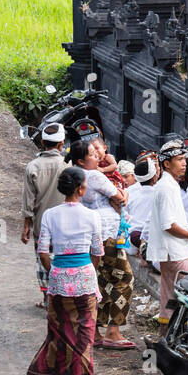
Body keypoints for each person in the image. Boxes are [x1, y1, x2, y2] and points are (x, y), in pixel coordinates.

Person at [26, 167, 102, 375]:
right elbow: (97, 252)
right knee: (83, 335)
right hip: (85, 279)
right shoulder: (92, 216)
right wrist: (88, 269)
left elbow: (42, 251)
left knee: (57, 332)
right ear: (80, 188)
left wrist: (55, 271)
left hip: (58, 279)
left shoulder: (50, 215)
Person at [69, 139, 133, 350]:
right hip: (107, 234)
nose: (97, 156)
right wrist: (121, 195)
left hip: (90, 234)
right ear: (81, 160)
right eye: (91, 154)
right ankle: (113, 332)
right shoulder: (94, 176)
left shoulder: (75, 176)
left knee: (100, 280)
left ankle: (94, 331)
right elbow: (120, 197)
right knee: (123, 278)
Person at [149, 139, 188, 325]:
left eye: (185, 159)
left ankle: (166, 335)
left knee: (169, 295)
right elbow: (169, 224)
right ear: (167, 164)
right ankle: (183, 334)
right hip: (177, 251)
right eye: (179, 159)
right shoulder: (167, 188)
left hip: (171, 250)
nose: (184, 164)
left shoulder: (168, 184)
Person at [21, 123, 70, 299]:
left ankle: (47, 297)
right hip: (65, 227)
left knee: (43, 260)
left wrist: (26, 225)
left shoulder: (33, 166)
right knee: (63, 260)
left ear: (42, 142)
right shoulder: (67, 165)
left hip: (41, 226)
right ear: (61, 144)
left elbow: (28, 200)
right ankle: (63, 294)